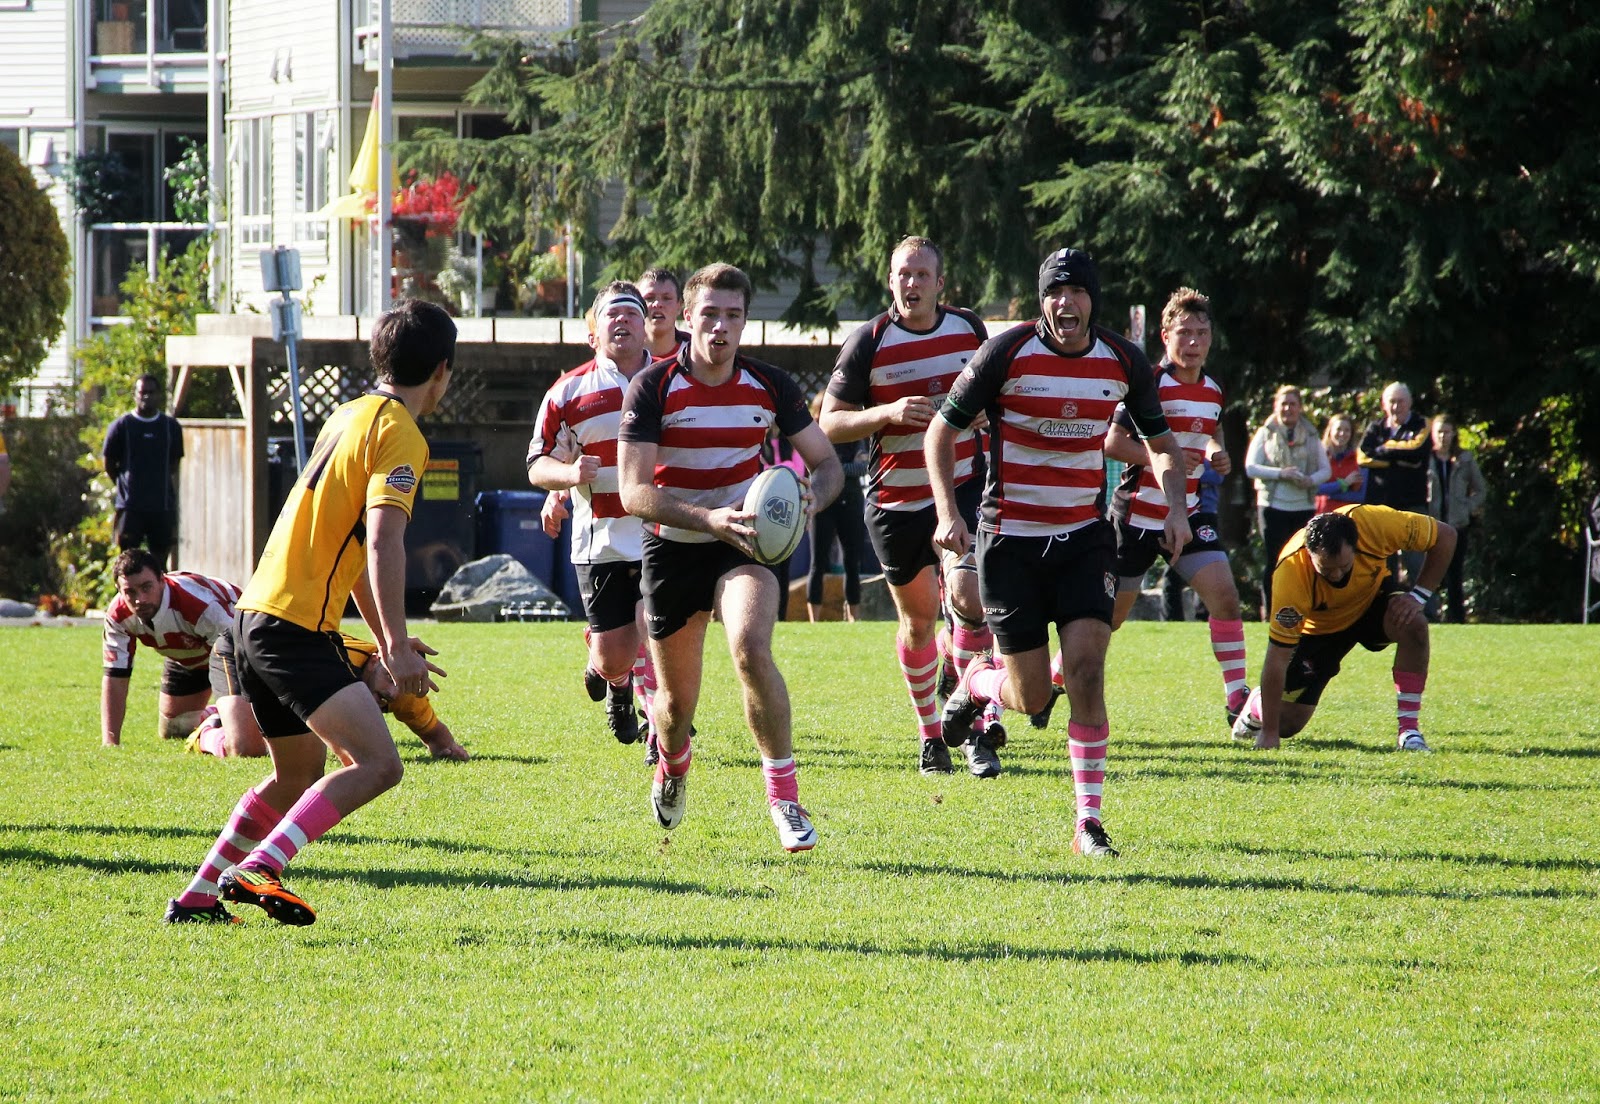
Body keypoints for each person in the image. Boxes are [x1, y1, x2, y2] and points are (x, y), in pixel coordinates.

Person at [164, 298, 454, 925]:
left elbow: (353, 552)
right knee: (379, 764)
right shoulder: (402, 433)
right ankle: (262, 867)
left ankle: (196, 897)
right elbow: (383, 542)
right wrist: (396, 647)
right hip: (294, 628)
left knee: (295, 774)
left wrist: (386, 641)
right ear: (442, 371)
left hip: (252, 617)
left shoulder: (347, 415)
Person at [928, 247, 1191, 858]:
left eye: (1076, 291)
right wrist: (946, 513)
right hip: (1010, 542)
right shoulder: (1005, 352)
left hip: (1083, 539)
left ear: (1092, 300)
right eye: (1054, 292)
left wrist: (1177, 508)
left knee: (1087, 672)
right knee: (1031, 698)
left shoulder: (1123, 360)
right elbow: (941, 431)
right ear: (1042, 299)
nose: (1064, 302)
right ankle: (979, 681)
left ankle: (1087, 822)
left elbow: (1161, 444)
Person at [618, 263, 843, 852]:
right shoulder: (653, 387)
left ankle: (785, 799)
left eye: (733, 315)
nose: (720, 326)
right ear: (687, 317)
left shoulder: (771, 385)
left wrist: (811, 499)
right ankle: (674, 765)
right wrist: (706, 517)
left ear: (746, 322)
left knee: (749, 646)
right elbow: (633, 492)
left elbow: (827, 464)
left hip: (745, 544)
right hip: (672, 546)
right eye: (710, 314)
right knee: (674, 707)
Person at [819, 236, 1000, 777]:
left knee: (969, 596)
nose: (912, 283)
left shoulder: (968, 329)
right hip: (896, 500)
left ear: (940, 283)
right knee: (919, 624)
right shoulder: (868, 342)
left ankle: (973, 728)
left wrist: (987, 412)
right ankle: (931, 735)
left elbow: (998, 393)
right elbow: (829, 423)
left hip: (964, 486)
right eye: (903, 274)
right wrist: (887, 413)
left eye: (922, 275)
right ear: (890, 280)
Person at [1103, 287, 1250, 729]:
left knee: (1225, 597)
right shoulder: (1148, 383)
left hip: (1187, 513)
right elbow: (1112, 442)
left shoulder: (1214, 389)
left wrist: (1215, 452)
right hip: (1136, 515)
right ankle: (1055, 680)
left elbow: (1210, 432)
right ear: (1165, 336)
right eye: (1184, 333)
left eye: (1201, 333)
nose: (1193, 342)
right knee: (1108, 620)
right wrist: (1163, 458)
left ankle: (1237, 698)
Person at [528, 283, 660, 748]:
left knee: (657, 631)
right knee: (614, 655)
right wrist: (566, 477)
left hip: (662, 534)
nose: (622, 320)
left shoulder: (674, 382)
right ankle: (615, 681)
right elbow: (536, 463)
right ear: (593, 335)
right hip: (600, 539)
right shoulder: (568, 391)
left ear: (647, 328)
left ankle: (662, 731)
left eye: (632, 313)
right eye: (611, 315)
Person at [1231, 505, 1456, 752]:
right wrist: (1270, 732)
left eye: (1345, 566)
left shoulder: (1375, 524)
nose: (1337, 575)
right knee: (1288, 724)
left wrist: (1419, 596)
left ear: (1357, 544)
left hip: (1370, 601)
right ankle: (1255, 704)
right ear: (1309, 554)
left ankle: (1409, 731)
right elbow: (1277, 657)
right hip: (1320, 630)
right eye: (1326, 570)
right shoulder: (1291, 572)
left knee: (1415, 625)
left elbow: (1445, 536)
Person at [187, 624, 466, 762]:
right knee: (246, 748)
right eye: (389, 677)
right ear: (374, 660)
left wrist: (447, 750)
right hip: (241, 646)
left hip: (287, 671)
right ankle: (207, 730)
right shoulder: (336, 661)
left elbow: (436, 736)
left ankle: (230, 712)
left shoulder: (403, 692)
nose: (392, 693)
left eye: (403, 683)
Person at [100, 548, 241, 746]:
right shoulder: (118, 615)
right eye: (130, 592)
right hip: (187, 659)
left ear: (162, 579)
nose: (140, 599)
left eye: (146, 587)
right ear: (118, 589)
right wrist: (110, 743)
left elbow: (241, 653)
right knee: (176, 728)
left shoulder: (200, 604)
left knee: (243, 736)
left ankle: (226, 722)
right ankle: (215, 717)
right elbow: (116, 676)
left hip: (234, 654)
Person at [1245, 385, 1329, 617]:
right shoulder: (1266, 432)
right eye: (1283, 404)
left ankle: (1302, 612)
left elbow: (1326, 470)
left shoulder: (1311, 434)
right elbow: (1251, 467)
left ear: (1300, 407)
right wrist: (1281, 474)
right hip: (1272, 505)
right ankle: (1271, 613)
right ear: (1276, 406)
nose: (1287, 409)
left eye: (1292, 404)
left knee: (1304, 561)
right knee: (1276, 560)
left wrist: (1310, 480)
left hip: (1303, 506)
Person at [103, 373, 184, 568]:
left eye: (151, 392)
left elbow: (174, 463)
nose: (146, 396)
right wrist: (125, 486)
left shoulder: (170, 427)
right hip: (131, 508)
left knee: (160, 565)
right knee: (128, 564)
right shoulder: (121, 427)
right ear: (135, 395)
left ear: (159, 395)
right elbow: (109, 463)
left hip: (161, 507)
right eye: (142, 392)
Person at [1358, 381, 1433, 585]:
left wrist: (1384, 450)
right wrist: (1399, 459)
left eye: (1401, 401)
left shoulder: (1421, 424)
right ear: (1384, 404)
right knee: (1383, 566)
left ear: (1409, 403)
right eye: (1392, 402)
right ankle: (1388, 602)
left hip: (1412, 504)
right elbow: (1363, 457)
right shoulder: (1375, 427)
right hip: (1381, 506)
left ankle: (1424, 604)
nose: (1396, 406)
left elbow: (1416, 452)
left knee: (1417, 564)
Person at [805, 391, 866, 624]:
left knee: (852, 562)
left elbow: (863, 467)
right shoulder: (813, 439)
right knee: (817, 563)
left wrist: (832, 469)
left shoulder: (853, 435)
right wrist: (845, 467)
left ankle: (853, 618)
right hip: (822, 503)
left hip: (850, 501)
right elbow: (810, 470)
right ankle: (814, 620)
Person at [1425, 415, 1487, 623]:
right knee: (1429, 572)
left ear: (1454, 434)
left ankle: (1457, 618)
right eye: (1439, 432)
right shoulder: (1425, 459)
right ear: (1432, 434)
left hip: (1457, 524)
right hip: (1432, 524)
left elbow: (1481, 489)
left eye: (1447, 432)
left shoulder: (1464, 459)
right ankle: (1429, 615)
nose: (1443, 436)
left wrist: (1467, 508)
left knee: (1455, 574)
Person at [1161, 458, 1223, 621]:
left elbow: (1217, 476)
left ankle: (1203, 615)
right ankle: (1172, 618)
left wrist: (1192, 473)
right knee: (1173, 568)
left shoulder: (1207, 456)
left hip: (1207, 514)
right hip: (1182, 515)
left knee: (1208, 567)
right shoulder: (1179, 453)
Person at [1315, 412, 1365, 514]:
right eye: (1338, 429)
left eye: (1347, 430)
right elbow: (1315, 489)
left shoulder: (1358, 458)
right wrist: (1344, 484)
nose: (1342, 433)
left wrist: (1329, 491)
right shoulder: (1319, 456)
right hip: (1323, 513)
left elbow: (1361, 495)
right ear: (1330, 431)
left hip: (1348, 514)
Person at [638, 267, 690, 360]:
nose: (658, 304)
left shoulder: (696, 354)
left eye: (666, 298)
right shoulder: (624, 354)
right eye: (649, 298)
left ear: (679, 306)